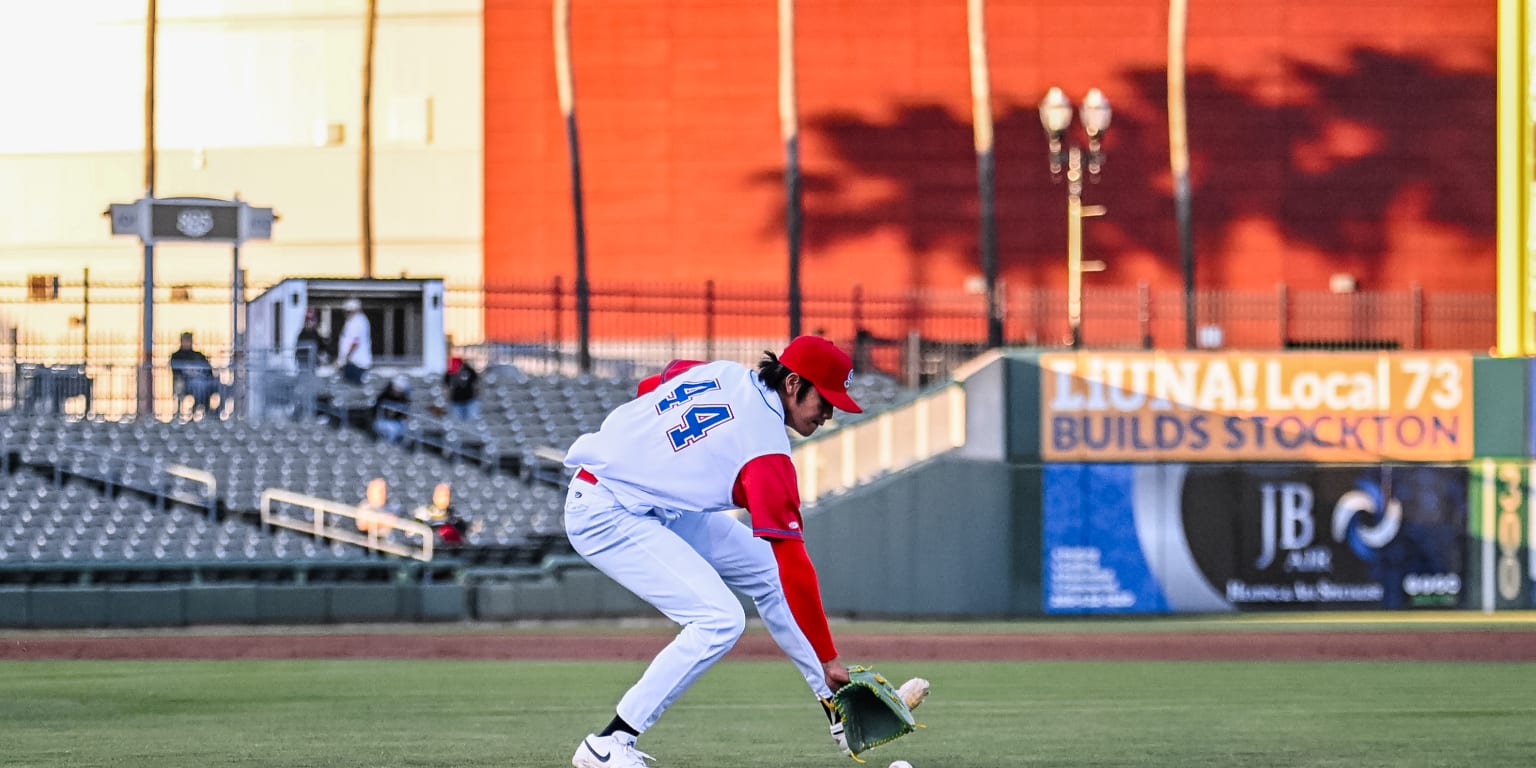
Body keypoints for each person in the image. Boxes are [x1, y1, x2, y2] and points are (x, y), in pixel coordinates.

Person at [562, 335, 863, 768]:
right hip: (606, 508)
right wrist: (831, 655)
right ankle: (609, 743)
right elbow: (794, 562)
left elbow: (656, 383)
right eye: (826, 399)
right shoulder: (767, 453)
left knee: (765, 573)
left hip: (654, 502)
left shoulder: (722, 371)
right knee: (719, 619)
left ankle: (832, 702)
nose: (830, 413)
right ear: (794, 383)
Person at [169, 331, 221, 418]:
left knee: (217, 385)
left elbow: (208, 370)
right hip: (186, 382)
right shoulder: (176, 356)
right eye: (185, 340)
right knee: (198, 385)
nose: (187, 342)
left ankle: (213, 412)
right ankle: (198, 408)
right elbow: (176, 371)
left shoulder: (198, 355)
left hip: (204, 380)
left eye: (189, 340)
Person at [412, 482, 472, 547]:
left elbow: (463, 532)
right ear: (434, 496)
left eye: (446, 496)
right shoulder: (423, 513)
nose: (443, 499)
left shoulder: (454, 515)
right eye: (440, 496)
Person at [336, 298, 372, 385]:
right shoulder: (356, 321)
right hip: (354, 363)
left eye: (349, 311)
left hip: (356, 364)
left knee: (352, 390)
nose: (346, 314)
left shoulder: (357, 322)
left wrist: (343, 359)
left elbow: (355, 343)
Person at [443, 341, 481, 421]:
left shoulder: (468, 370)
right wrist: (447, 397)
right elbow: (446, 386)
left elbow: (477, 382)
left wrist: (477, 395)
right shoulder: (450, 373)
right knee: (457, 423)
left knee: (471, 422)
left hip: (469, 400)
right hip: (455, 401)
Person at [372, 375, 412, 444]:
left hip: (397, 422)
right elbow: (375, 410)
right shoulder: (384, 396)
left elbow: (404, 413)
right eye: (397, 389)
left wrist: (401, 415)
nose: (398, 392)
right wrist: (387, 413)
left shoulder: (403, 399)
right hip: (382, 421)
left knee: (406, 429)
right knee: (391, 430)